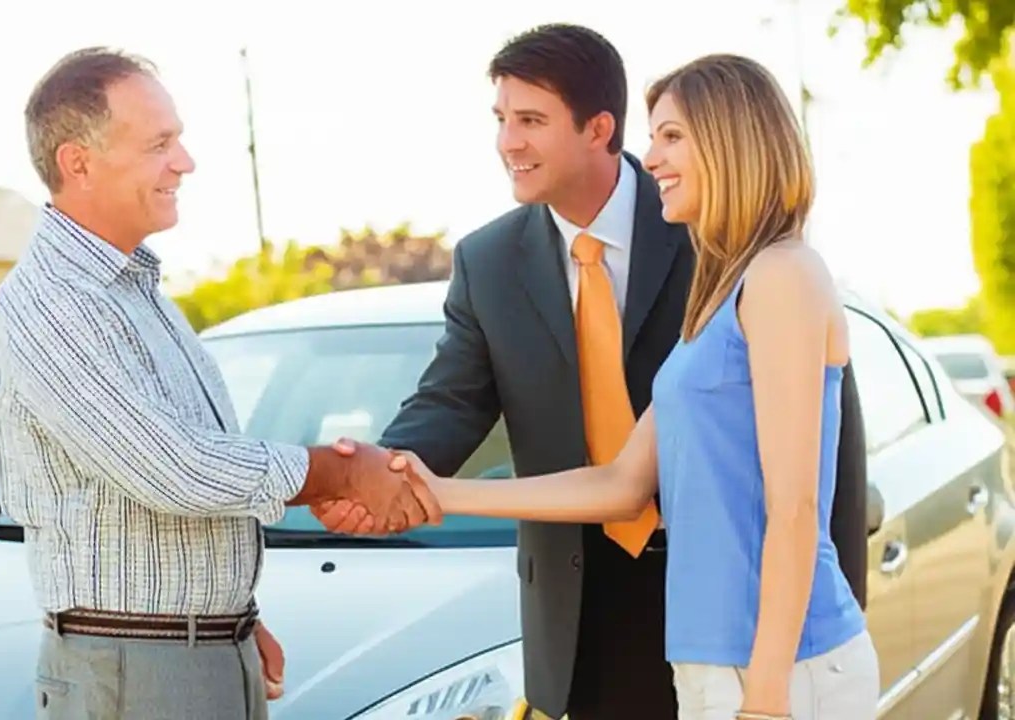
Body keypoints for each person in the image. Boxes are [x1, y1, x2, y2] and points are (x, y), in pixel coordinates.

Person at [315, 25, 870, 720]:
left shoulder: (761, 266)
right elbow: (612, 480)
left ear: (597, 128)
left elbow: (805, 492)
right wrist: (408, 482)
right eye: (502, 120)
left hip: (766, 647)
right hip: (647, 632)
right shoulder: (499, 263)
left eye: (672, 137)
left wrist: (769, 691)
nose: (655, 154)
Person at [0, 47, 439, 720]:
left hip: (182, 656)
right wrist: (337, 475)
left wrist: (229, 622)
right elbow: (176, 469)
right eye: (159, 144)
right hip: (138, 675)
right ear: (78, 162)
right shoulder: (52, 305)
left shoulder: (133, 291)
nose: (184, 162)